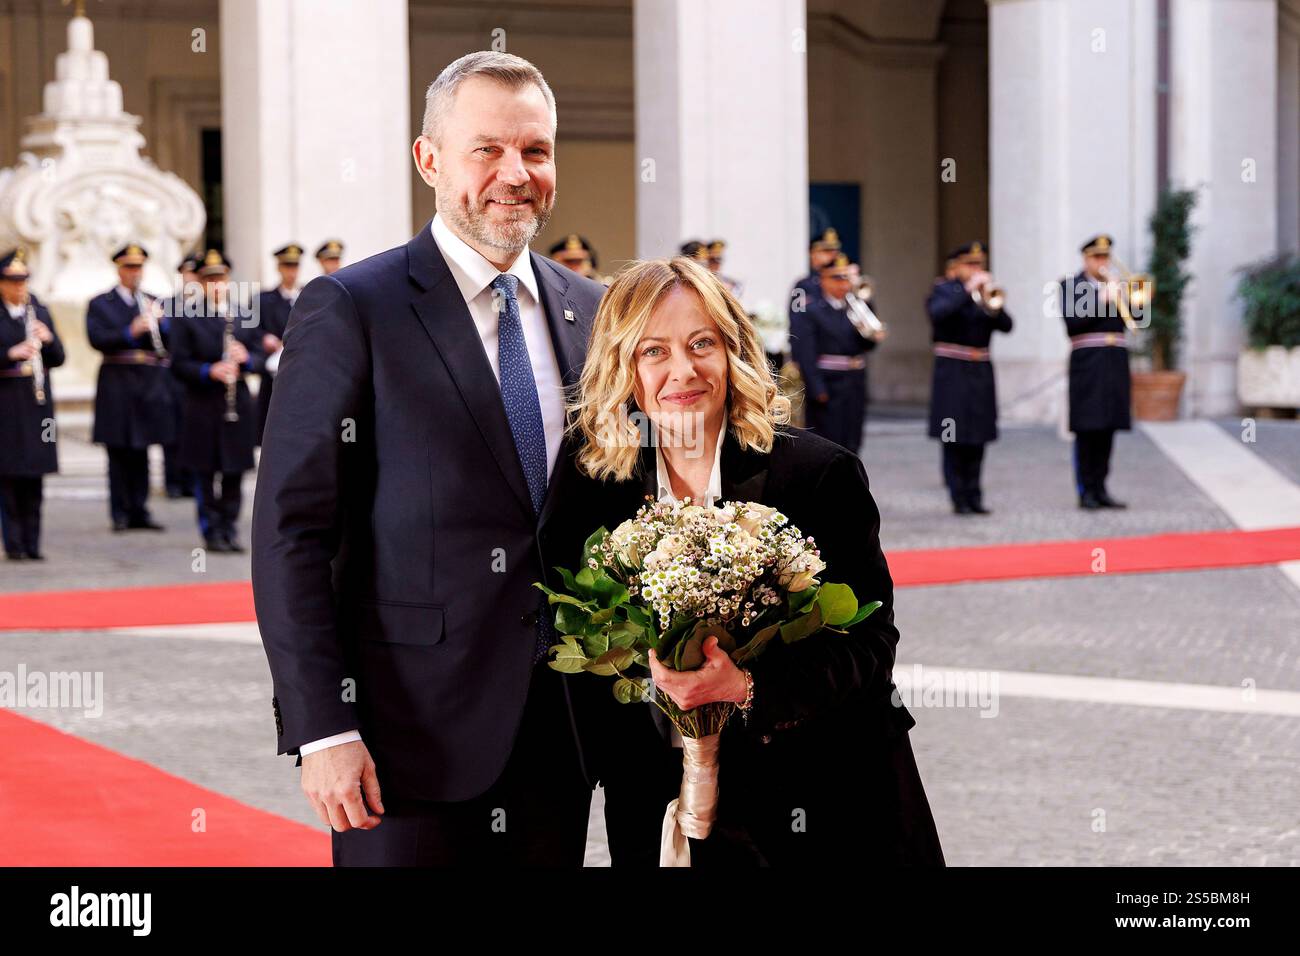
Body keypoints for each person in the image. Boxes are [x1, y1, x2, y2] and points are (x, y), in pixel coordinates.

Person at [252, 51, 608, 867]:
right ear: (430, 159)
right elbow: (290, 532)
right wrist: (323, 728)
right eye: (487, 149)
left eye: (537, 151)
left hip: (564, 736)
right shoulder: (352, 308)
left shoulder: (592, 310)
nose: (515, 174)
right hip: (403, 743)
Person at [569, 255, 944, 867]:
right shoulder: (597, 480)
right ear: (623, 367)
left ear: (733, 351)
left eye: (701, 344)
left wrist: (748, 686)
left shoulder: (817, 473)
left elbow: (871, 645)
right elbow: (570, 634)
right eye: (653, 352)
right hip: (659, 799)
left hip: (821, 796)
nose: (682, 371)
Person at [169, 249, 264, 552]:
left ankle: (230, 527)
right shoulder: (187, 316)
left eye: (220, 278)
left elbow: (262, 357)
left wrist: (247, 359)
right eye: (209, 279)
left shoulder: (244, 314)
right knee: (205, 470)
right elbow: (178, 364)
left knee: (235, 470)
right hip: (202, 404)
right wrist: (208, 370)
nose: (216, 284)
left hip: (237, 405)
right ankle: (210, 530)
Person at [86, 243, 174, 532]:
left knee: (142, 448)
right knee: (118, 450)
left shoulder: (153, 301)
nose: (134, 272)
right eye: (129, 267)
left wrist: (163, 325)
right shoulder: (101, 303)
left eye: (138, 267)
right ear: (119, 268)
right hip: (116, 381)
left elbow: (171, 343)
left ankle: (140, 509)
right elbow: (97, 338)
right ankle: (120, 512)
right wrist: (130, 330)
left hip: (147, 382)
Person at [926, 241, 1013, 515]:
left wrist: (992, 305)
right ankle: (958, 496)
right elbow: (937, 314)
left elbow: (1008, 326)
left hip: (980, 371)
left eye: (980, 264)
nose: (977, 270)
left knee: (978, 434)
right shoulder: (943, 290)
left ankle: (975, 494)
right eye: (971, 264)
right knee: (953, 436)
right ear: (956, 267)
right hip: (952, 371)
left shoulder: (984, 296)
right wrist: (967, 290)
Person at [0, 248, 66, 561]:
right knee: (10, 474)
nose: (19, 287)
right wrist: (9, 354)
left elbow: (59, 359)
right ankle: (14, 543)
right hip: (7, 404)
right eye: (13, 281)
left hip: (38, 406)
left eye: (23, 280)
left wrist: (49, 338)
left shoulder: (38, 310)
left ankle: (33, 541)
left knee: (35, 475)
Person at [789, 251, 884, 453]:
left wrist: (872, 333)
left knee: (853, 440)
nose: (843, 284)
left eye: (846, 278)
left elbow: (867, 346)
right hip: (829, 383)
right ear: (822, 279)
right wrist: (817, 389)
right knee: (828, 443)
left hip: (854, 382)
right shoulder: (812, 310)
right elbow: (805, 351)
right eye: (836, 278)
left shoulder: (855, 306)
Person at [1060, 234, 1130, 509]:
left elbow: (1137, 320)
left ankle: (1101, 487)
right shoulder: (1070, 286)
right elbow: (1073, 323)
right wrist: (1102, 298)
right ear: (1086, 259)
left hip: (1114, 363)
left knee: (1108, 427)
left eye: (1106, 257)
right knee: (1088, 428)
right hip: (1088, 365)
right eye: (1097, 257)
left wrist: (1130, 298)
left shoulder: (1117, 286)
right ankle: (1085, 489)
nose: (1102, 263)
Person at [254, 243, 302, 446]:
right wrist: (264, 338)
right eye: (286, 266)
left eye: (294, 266)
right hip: (274, 370)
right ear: (279, 267)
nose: (291, 271)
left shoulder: (310, 295)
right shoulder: (263, 300)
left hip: (301, 370)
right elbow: (250, 330)